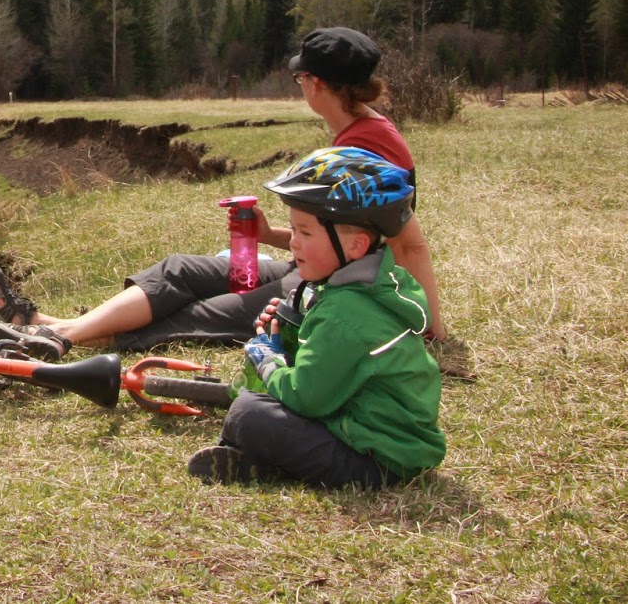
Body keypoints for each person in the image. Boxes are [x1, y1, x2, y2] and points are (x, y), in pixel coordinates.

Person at [0, 26, 449, 362]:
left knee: (200, 313)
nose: (300, 86)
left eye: (300, 78)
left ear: (316, 83)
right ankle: (56, 327)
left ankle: (58, 333)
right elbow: (335, 232)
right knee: (179, 270)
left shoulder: (371, 147)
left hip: (328, 286)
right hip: (308, 264)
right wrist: (269, 234)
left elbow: (407, 242)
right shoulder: (354, 133)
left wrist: (429, 327)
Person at [186, 146, 445, 487]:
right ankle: (261, 460)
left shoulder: (344, 313)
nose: (293, 243)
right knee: (257, 407)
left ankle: (261, 462)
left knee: (248, 414)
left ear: (356, 246)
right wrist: (290, 332)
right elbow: (334, 362)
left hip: (377, 463)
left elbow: (305, 397)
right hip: (383, 439)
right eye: (293, 230)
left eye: (305, 233)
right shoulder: (368, 286)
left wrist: (269, 363)